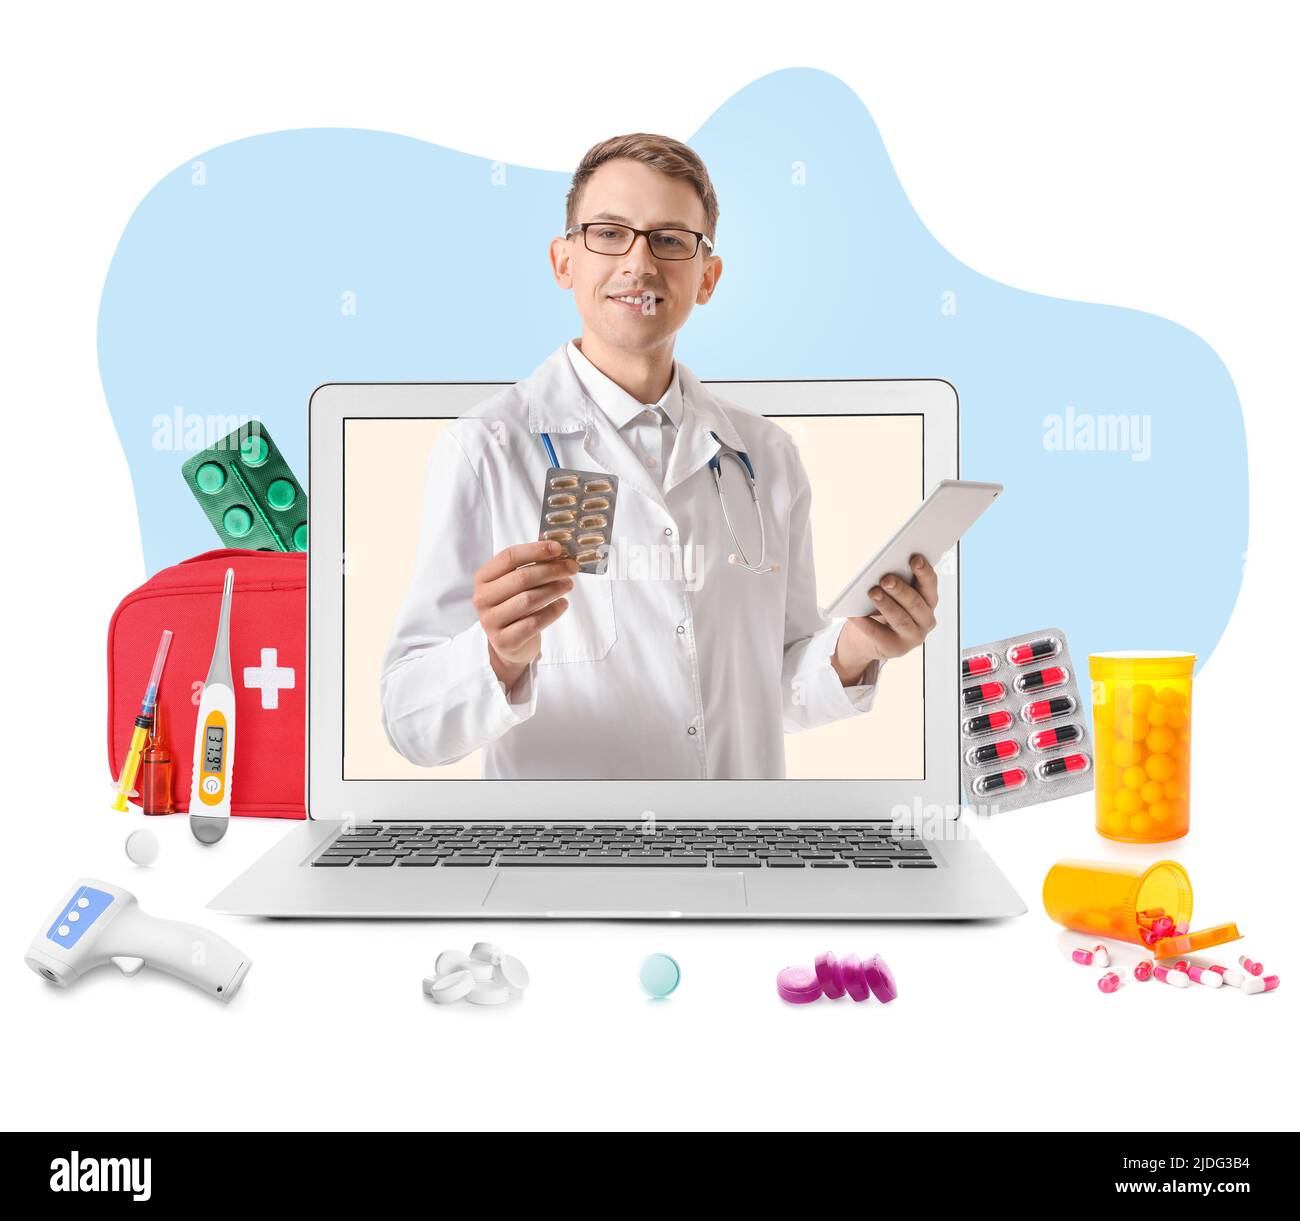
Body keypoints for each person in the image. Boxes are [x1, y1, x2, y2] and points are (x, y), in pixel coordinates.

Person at [381, 133, 937, 779]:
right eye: (609, 233)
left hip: (737, 853)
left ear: (707, 277)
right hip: (567, 859)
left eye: (670, 239)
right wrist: (498, 655)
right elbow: (410, 723)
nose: (639, 264)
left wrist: (857, 645)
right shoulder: (486, 448)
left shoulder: (766, 455)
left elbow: (775, 685)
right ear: (564, 262)